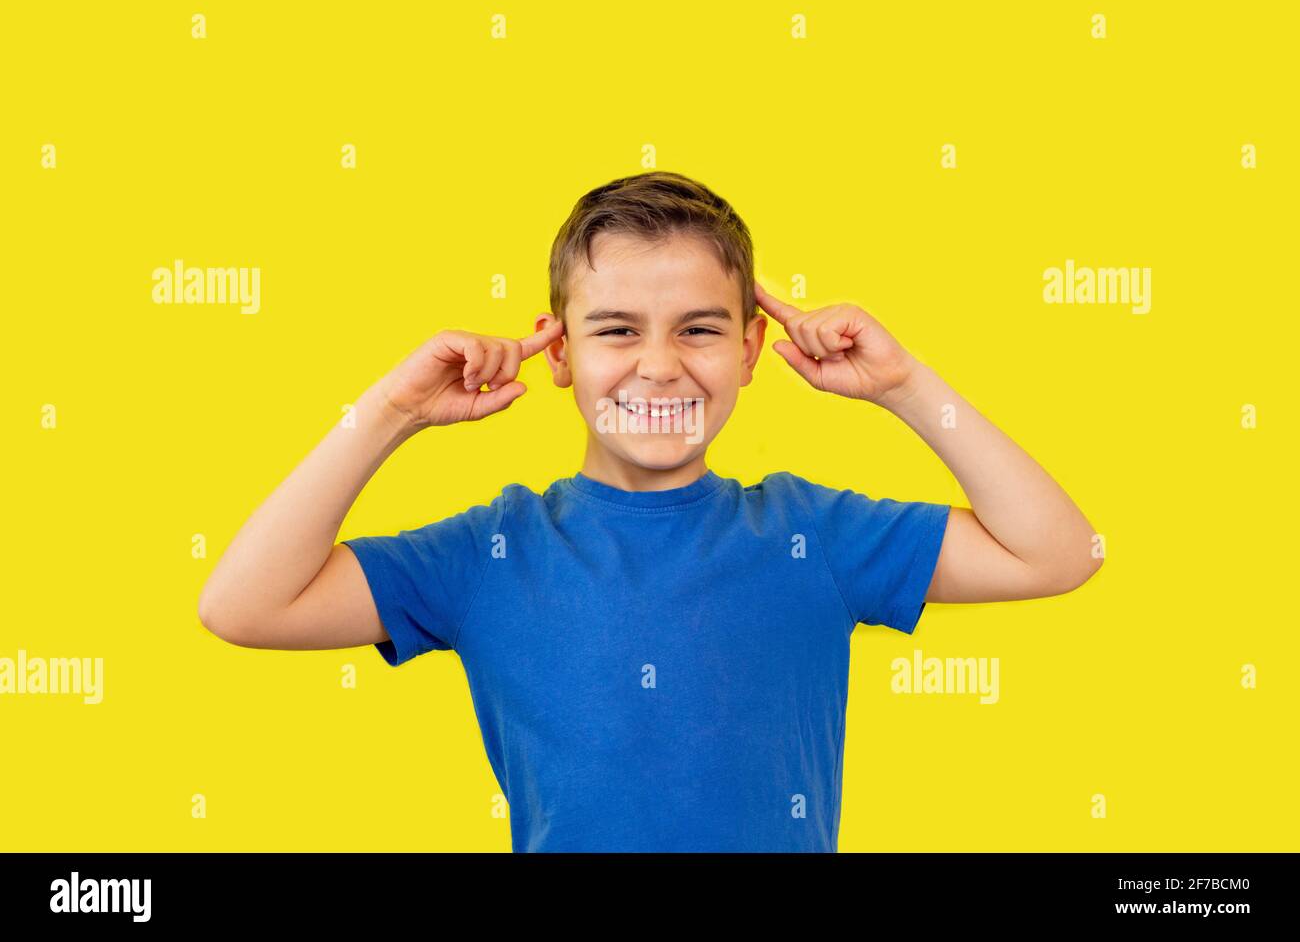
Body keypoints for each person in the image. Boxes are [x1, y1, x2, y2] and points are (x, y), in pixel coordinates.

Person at [197, 171, 1103, 851]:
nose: (661, 365)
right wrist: (390, 413)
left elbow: (1059, 554)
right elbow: (244, 606)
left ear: (752, 349)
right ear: (557, 352)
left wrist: (906, 387)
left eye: (700, 329)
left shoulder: (812, 536)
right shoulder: (492, 553)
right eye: (617, 329)